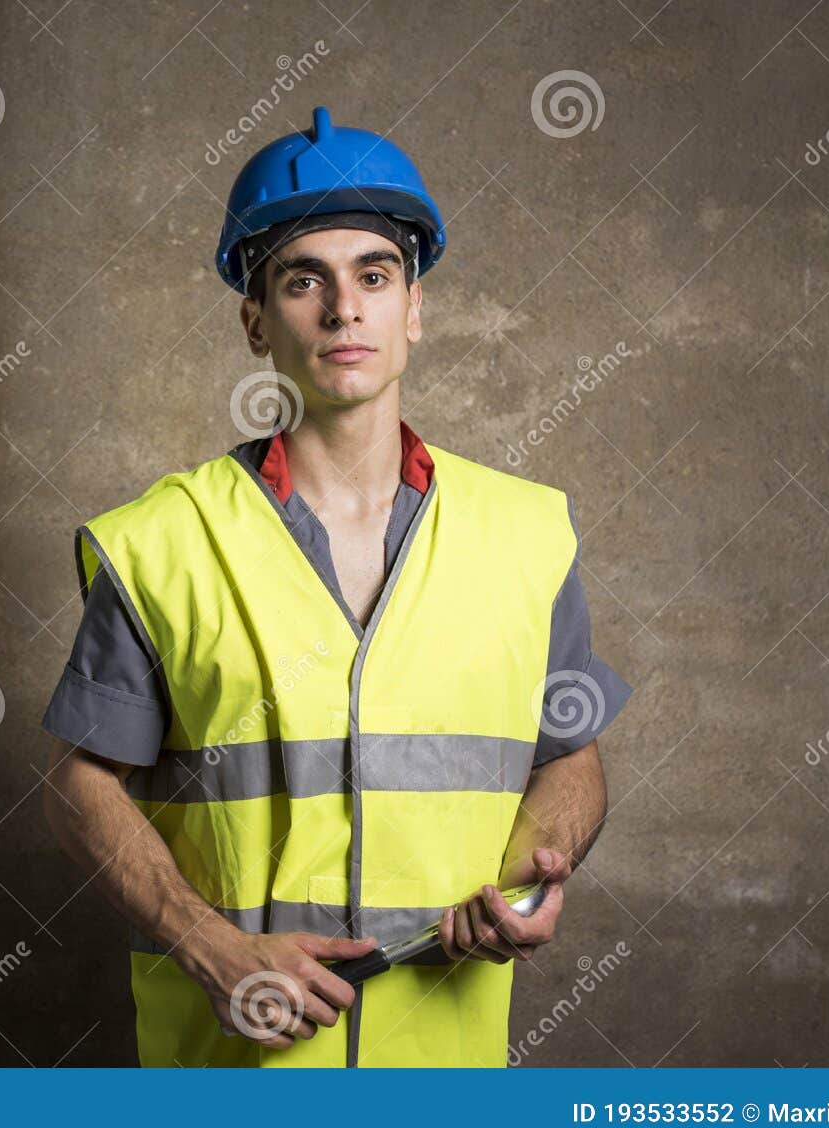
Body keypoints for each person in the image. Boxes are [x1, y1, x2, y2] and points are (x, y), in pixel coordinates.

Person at [39, 107, 632, 1067]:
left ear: (415, 308)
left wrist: (531, 877)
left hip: (444, 1077)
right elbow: (78, 784)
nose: (344, 309)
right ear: (255, 319)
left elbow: (571, 757)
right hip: (232, 1079)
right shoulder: (161, 545)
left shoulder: (526, 536)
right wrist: (207, 946)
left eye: (374, 275)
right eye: (303, 278)